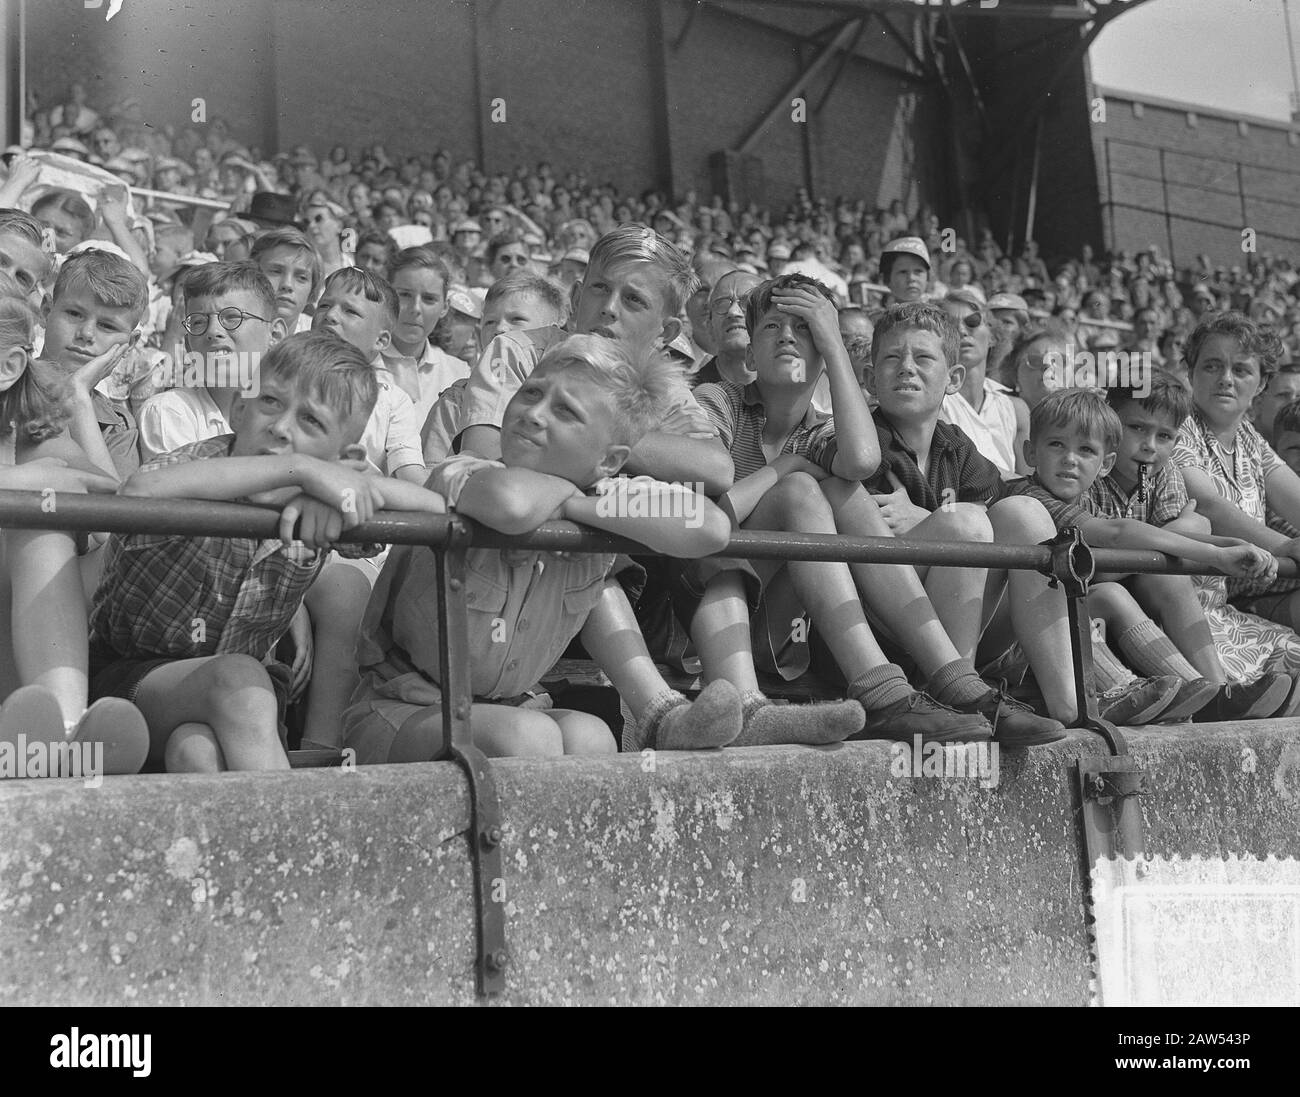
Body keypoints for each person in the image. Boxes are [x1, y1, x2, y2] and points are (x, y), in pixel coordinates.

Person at [343, 336, 731, 762]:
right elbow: (513, 505)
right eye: (531, 392)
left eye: (565, 411)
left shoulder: (597, 492)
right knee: (528, 738)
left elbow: (709, 526)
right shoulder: (469, 470)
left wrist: (575, 502)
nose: (534, 413)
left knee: (593, 738)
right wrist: (576, 496)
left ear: (609, 461)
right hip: (402, 707)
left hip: (509, 705)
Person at [95, 332, 447, 772]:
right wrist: (299, 466)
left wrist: (337, 488)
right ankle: (306, 836)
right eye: (270, 402)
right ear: (239, 410)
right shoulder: (200, 466)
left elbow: (437, 507)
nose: (280, 427)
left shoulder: (322, 502)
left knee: (197, 749)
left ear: (346, 457)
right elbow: (138, 491)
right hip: (127, 685)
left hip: (242, 710)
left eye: (311, 422)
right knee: (236, 676)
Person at [459, 224, 745, 750]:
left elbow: (715, 468)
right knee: (585, 547)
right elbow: (482, 452)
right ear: (575, 294)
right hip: (504, 546)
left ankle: (736, 704)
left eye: (632, 299)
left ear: (666, 329)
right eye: (598, 288)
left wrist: (596, 438)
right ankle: (660, 712)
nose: (609, 308)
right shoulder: (518, 350)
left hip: (598, 557)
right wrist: (594, 452)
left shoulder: (663, 382)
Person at [688, 275, 995, 744]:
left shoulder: (822, 432)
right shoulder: (718, 400)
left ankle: (950, 677)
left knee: (842, 490)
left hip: (778, 618)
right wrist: (786, 466)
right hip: (703, 597)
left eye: (805, 328)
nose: (789, 336)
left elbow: (862, 461)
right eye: (772, 327)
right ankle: (882, 687)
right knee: (799, 491)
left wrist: (833, 343)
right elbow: (711, 515)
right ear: (749, 355)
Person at [1008, 388, 1285, 720]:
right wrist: (1216, 553)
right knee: (1106, 593)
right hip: (1019, 639)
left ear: (1104, 464)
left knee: (1117, 591)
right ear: (1031, 452)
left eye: (1085, 450)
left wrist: (1229, 547)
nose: (1070, 459)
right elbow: (1117, 535)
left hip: (1058, 623)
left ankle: (1211, 692)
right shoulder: (1030, 493)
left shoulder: (1084, 497)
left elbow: (1125, 549)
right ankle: (1125, 692)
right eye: (1057, 445)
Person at [0, 292, 150, 769]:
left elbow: (116, 513)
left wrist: (79, 397)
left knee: (42, 533)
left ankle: (62, 734)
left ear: (9, 365)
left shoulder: (41, 444)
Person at [1173, 312, 1300, 668]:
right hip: (1187, 607)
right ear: (1191, 372)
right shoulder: (1178, 425)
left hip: (1234, 599)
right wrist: (1285, 546)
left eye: (1241, 370)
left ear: (1261, 384)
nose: (1226, 379)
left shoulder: (1250, 439)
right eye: (1212, 366)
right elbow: (1208, 505)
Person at [137, 261, 285, 460]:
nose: (213, 331)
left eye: (232, 317)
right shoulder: (171, 412)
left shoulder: (296, 413)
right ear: (188, 344)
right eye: (198, 322)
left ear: (275, 334)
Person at [421, 271, 568, 465]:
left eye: (516, 319)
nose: (499, 328)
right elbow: (431, 471)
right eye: (490, 322)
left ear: (550, 331)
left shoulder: (571, 394)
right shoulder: (457, 400)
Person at [311, 266, 425, 483]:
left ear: (381, 341)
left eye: (350, 311)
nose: (331, 316)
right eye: (324, 305)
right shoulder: (283, 376)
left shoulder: (393, 401)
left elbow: (410, 476)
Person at [939, 289, 1026, 479]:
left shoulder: (1016, 408)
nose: (961, 331)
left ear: (993, 336)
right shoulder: (935, 400)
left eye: (972, 322)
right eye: (949, 325)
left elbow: (1030, 479)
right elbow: (969, 467)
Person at [380, 247, 467, 429]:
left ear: (445, 307)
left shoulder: (459, 374)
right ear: (385, 296)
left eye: (429, 299)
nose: (416, 308)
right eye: (404, 295)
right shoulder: (358, 362)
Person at [251, 227, 321, 334]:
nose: (287, 284)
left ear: (312, 291)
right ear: (252, 277)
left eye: (301, 278)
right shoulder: (226, 331)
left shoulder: (320, 340)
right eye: (276, 271)